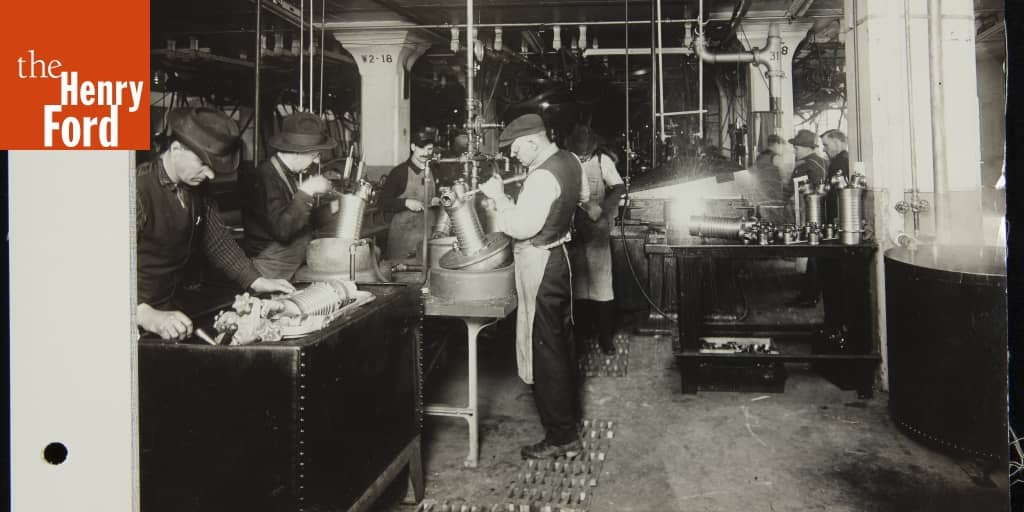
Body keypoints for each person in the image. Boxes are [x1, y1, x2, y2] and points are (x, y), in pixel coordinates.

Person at [136, 106, 295, 341]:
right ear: (177, 149)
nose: (210, 175)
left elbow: (217, 241)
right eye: (204, 164)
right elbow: (100, 272)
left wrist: (257, 280)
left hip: (168, 308)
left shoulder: (197, 189)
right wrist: (144, 314)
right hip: (129, 313)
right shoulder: (137, 190)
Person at [478, 114, 584, 460]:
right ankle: (567, 423)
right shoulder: (570, 160)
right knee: (561, 342)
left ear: (533, 142)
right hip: (561, 258)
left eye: (517, 150)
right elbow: (577, 198)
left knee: (545, 350)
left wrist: (499, 199)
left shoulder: (540, 177)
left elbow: (521, 227)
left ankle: (561, 436)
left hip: (540, 263)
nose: (515, 157)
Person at [240, 112, 337, 279]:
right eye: (314, 155)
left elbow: (299, 222)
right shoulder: (265, 177)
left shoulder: (286, 175)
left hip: (288, 266)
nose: (316, 162)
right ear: (296, 152)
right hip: (269, 269)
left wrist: (335, 208)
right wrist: (306, 191)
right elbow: (283, 230)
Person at [565, 124, 626, 356]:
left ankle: (606, 339)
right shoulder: (568, 160)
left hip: (597, 231)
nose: (581, 157)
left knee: (602, 286)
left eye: (585, 154)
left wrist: (601, 208)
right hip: (573, 232)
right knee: (577, 286)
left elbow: (619, 188)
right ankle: (580, 338)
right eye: (578, 154)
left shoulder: (603, 161)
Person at [380, 126, 438, 262]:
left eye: (429, 149)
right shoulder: (399, 173)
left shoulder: (434, 170)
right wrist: (406, 203)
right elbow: (382, 202)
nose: (425, 153)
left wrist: (436, 200)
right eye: (421, 148)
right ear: (413, 147)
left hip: (427, 237)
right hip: (404, 241)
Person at [787, 129, 828, 308]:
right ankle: (811, 294)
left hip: (810, 213)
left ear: (806, 148)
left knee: (812, 255)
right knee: (816, 256)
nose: (795, 151)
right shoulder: (823, 162)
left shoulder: (805, 165)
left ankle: (809, 295)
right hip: (821, 214)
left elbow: (791, 191)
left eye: (797, 148)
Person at [820, 129, 850, 224]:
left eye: (825, 145)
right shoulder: (846, 159)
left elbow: (836, 195)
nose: (824, 149)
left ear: (836, 143)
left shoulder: (839, 162)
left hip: (839, 218)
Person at [752, 134, 786, 202]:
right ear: (777, 144)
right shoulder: (776, 157)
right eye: (781, 146)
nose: (782, 149)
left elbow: (754, 173)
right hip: (774, 194)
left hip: (761, 192)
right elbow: (784, 177)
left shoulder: (760, 156)